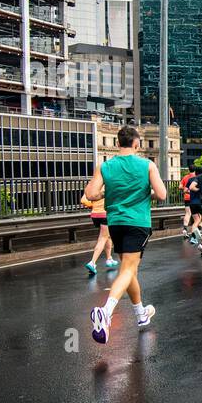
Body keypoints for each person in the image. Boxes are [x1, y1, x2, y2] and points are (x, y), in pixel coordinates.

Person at [85, 126, 167, 344]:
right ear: (137, 144)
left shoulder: (105, 166)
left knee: (128, 270)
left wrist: (106, 191)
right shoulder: (147, 165)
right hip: (137, 222)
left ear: (117, 143)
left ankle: (141, 314)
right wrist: (144, 190)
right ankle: (106, 311)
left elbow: (91, 194)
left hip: (115, 223)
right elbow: (162, 194)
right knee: (129, 269)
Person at [81, 190, 119, 274]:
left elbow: (83, 200)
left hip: (95, 215)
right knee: (103, 238)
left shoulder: (94, 184)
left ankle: (109, 259)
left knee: (107, 236)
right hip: (105, 214)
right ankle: (92, 263)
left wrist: (93, 205)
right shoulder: (109, 182)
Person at [182, 165, 202, 243]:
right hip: (200, 202)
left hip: (190, 201)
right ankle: (198, 230)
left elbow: (184, 190)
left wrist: (190, 191)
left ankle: (192, 237)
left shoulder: (188, 178)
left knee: (193, 218)